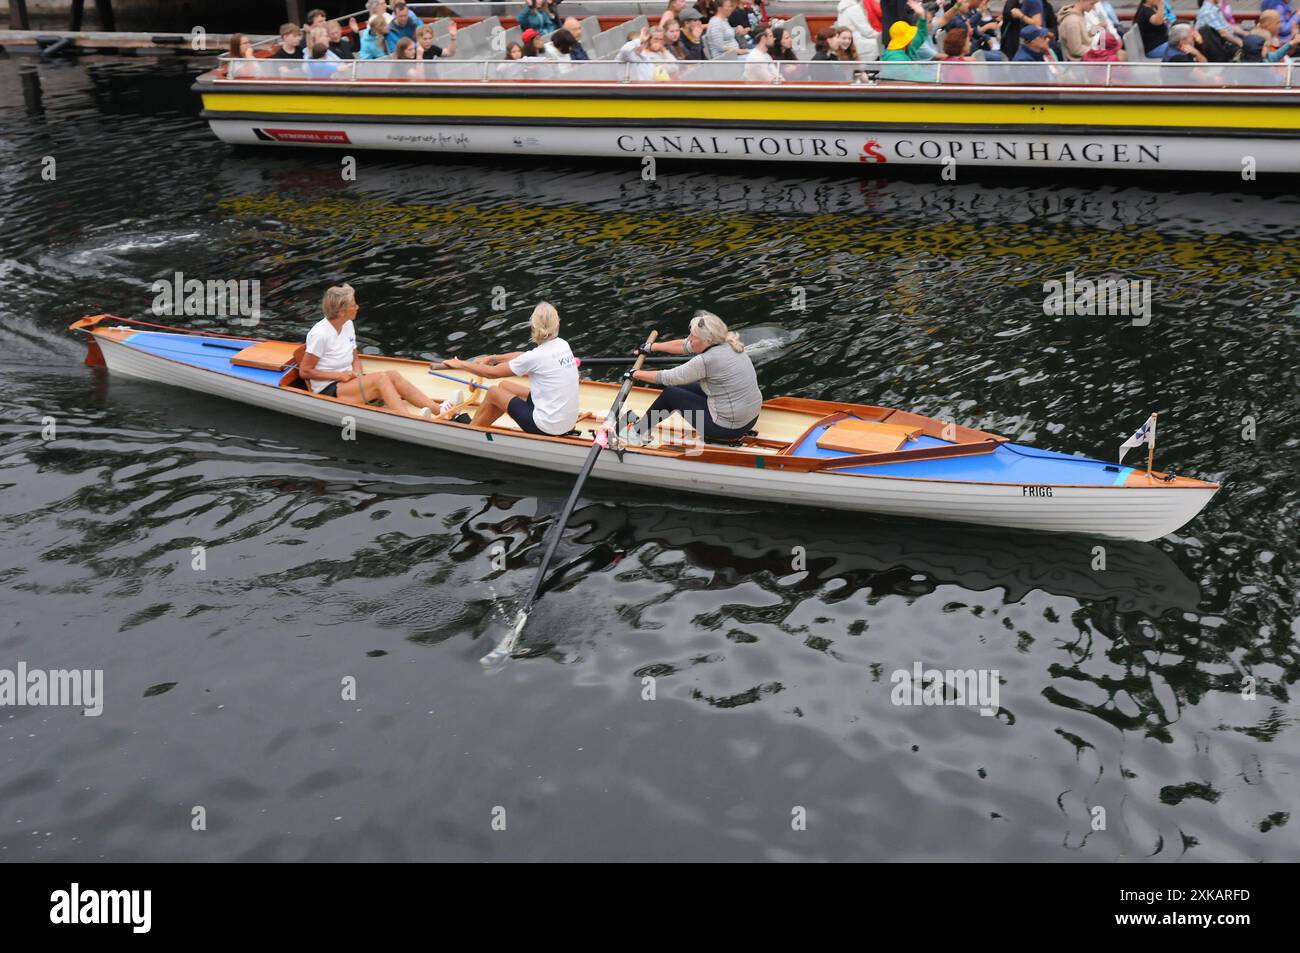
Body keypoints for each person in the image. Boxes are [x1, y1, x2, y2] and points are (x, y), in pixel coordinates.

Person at [300, 284, 441, 418]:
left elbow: (354, 357)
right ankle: (408, 419)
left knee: (393, 375)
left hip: (349, 380)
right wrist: (338, 376)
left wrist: (358, 374)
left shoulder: (347, 324)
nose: (357, 307)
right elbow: (305, 371)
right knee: (381, 378)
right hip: (330, 388)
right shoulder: (320, 335)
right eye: (353, 305)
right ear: (342, 312)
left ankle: (438, 410)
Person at [626, 312, 763, 445]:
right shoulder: (729, 342)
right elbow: (685, 345)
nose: (689, 338)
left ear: (707, 340)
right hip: (751, 418)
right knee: (680, 388)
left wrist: (634, 374)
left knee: (671, 394)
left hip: (727, 428)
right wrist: (651, 347)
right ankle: (644, 425)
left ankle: (636, 432)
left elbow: (668, 377)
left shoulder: (707, 360)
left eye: (693, 336)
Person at [443, 303, 580, 435]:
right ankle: (477, 424)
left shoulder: (536, 356)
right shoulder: (563, 345)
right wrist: (492, 358)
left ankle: (469, 432)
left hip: (545, 426)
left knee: (493, 392)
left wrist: (460, 364)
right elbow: (525, 357)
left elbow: (491, 374)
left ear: (533, 327)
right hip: (567, 421)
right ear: (558, 324)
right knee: (504, 386)